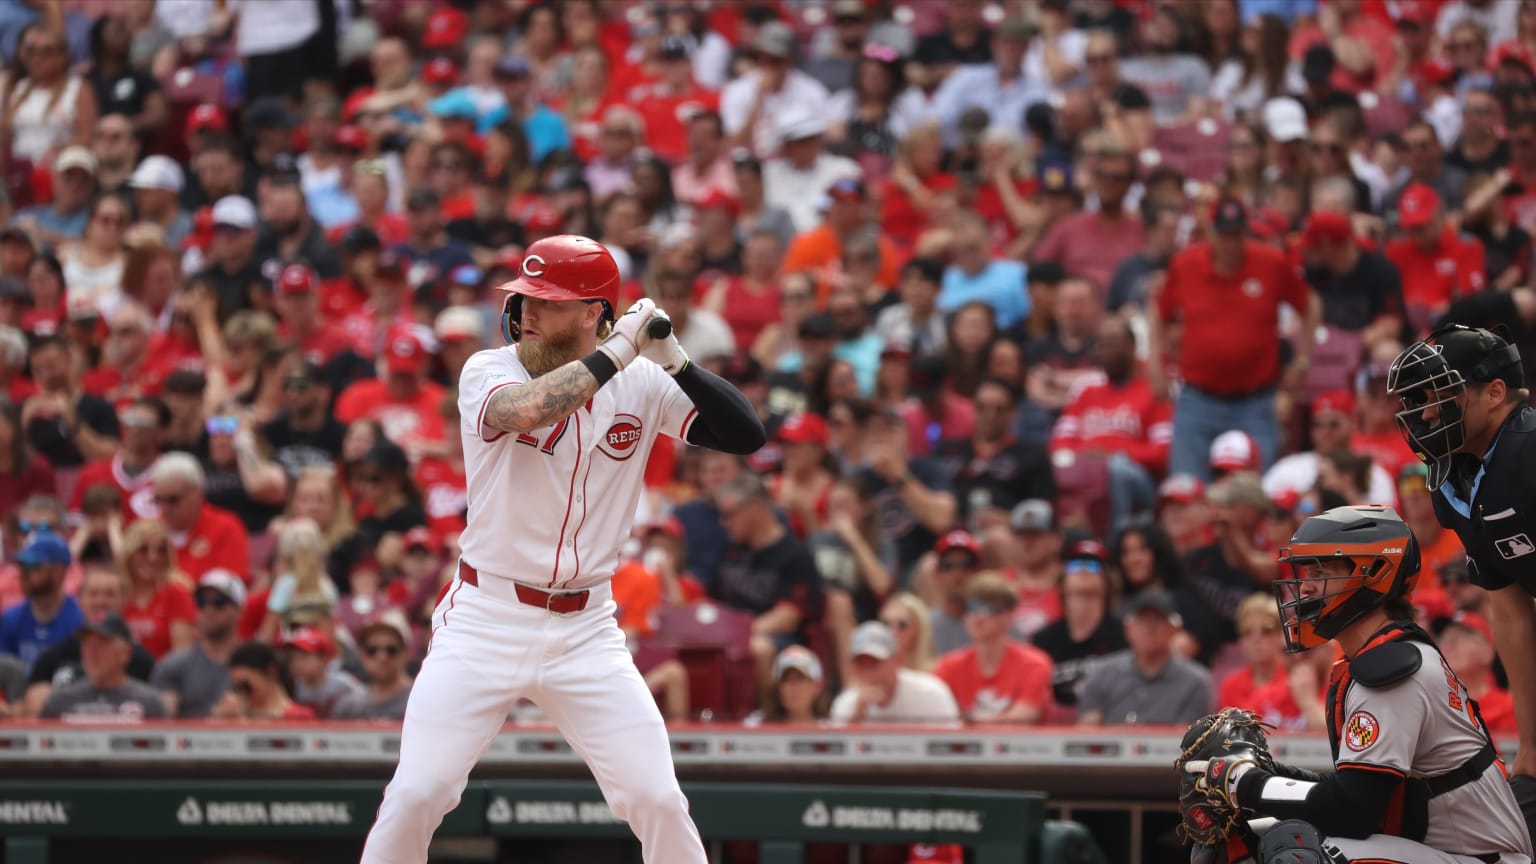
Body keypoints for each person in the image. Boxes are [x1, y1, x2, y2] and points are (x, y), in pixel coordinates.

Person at [360, 234, 764, 864]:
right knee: (418, 792)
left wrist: (678, 363)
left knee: (657, 798)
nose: (526, 312)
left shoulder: (640, 383)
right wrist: (621, 350)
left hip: (586, 631)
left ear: (592, 314)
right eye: (523, 298)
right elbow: (526, 411)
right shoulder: (487, 370)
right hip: (485, 617)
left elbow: (745, 436)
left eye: (547, 302)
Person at [1188, 505, 1532, 864]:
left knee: (1298, 854)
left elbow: (1353, 811)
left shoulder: (1394, 668)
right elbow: (1353, 788)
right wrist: (1264, 775)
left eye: (1319, 570)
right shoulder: (1375, 656)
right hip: (1438, 850)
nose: (1304, 585)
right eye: (1305, 570)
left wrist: (1244, 784)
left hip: (1485, 857)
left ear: (1375, 573)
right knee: (1235, 845)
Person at [1385, 323, 1536, 837]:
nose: (1428, 412)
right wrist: (1532, 748)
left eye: (1444, 395)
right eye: (1424, 398)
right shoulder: (1455, 480)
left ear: (1496, 393)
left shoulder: (1529, 453)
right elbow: (1512, 612)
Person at [932, 572, 1054, 724]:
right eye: (971, 607)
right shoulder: (948, 666)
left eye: (987, 608)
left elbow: (1021, 720)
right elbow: (936, 717)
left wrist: (968, 721)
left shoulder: (1035, 664)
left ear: (1008, 616)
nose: (976, 617)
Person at [37, 614, 166, 722]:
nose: (92, 652)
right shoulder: (61, 701)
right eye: (87, 644)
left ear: (125, 653)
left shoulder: (149, 702)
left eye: (102, 643)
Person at [829, 620, 960, 724]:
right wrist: (857, 715)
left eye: (875, 662)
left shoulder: (931, 693)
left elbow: (952, 746)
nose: (868, 671)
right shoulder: (847, 703)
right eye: (861, 663)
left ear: (897, 661)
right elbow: (836, 752)